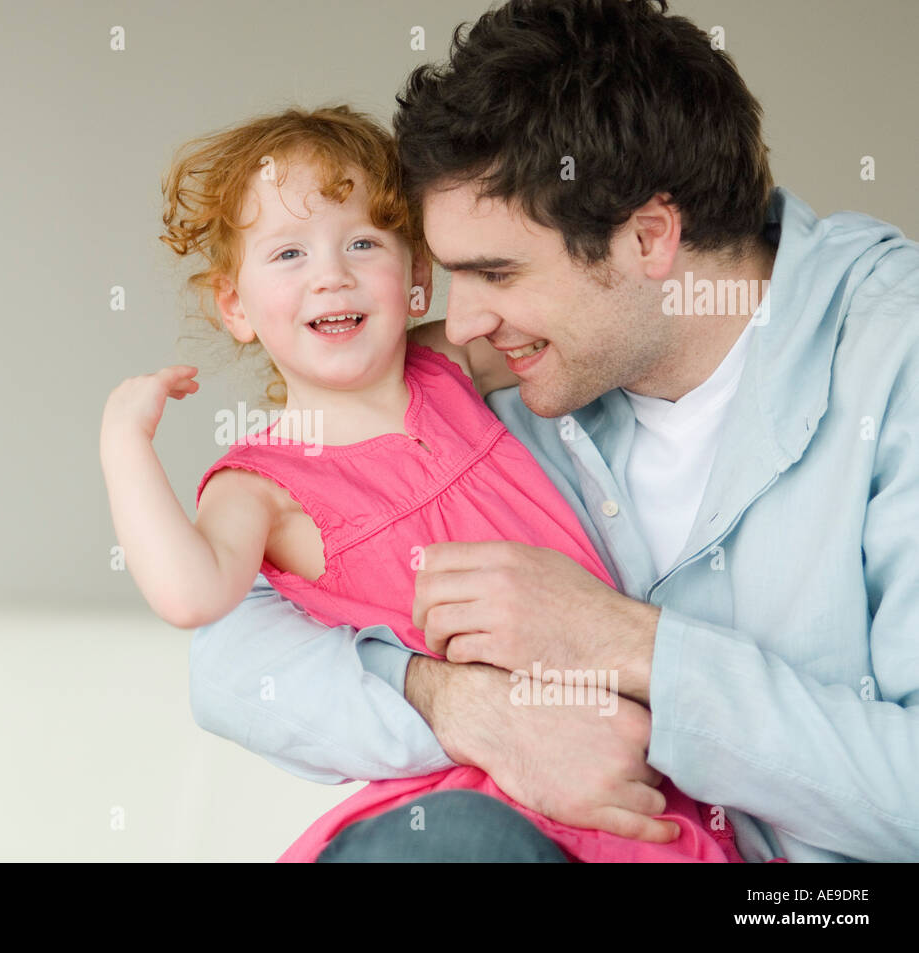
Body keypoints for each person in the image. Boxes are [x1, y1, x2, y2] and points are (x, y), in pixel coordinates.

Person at [190, 0, 919, 863]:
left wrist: (628, 647)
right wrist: (460, 704)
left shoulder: (893, 360)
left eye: (496, 272)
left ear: (650, 237)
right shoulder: (518, 376)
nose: (460, 325)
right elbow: (230, 660)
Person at [100, 103, 741, 861]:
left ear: (415, 280)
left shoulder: (452, 364)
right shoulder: (262, 486)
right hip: (473, 781)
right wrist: (122, 443)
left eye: (364, 242)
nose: (331, 275)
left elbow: (590, 330)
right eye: (288, 255)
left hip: (620, 745)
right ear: (235, 307)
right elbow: (190, 595)